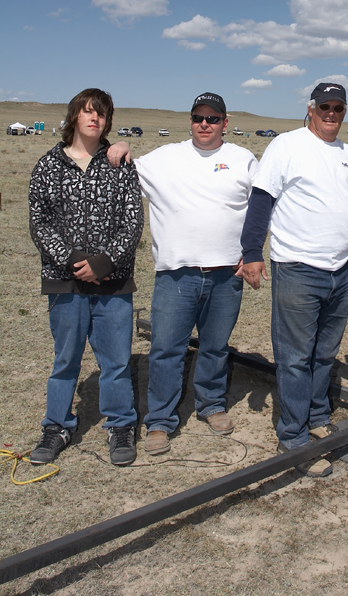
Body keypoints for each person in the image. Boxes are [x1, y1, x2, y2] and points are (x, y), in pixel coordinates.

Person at [240, 83, 348, 476]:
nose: (331, 113)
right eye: (324, 106)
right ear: (311, 109)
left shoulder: (345, 153)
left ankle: (318, 416)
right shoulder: (286, 146)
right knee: (294, 358)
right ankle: (293, 437)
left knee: (325, 353)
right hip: (297, 269)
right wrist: (252, 254)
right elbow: (261, 200)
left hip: (338, 273)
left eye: (338, 107)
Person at [108, 92, 257, 455]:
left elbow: (261, 209)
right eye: (197, 118)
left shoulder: (243, 159)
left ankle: (212, 405)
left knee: (215, 346)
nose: (204, 125)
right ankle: (160, 420)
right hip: (177, 274)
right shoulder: (164, 158)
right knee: (166, 348)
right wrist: (121, 143)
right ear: (189, 121)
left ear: (225, 122)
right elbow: (122, 167)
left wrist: (252, 254)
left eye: (212, 118)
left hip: (226, 272)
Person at [29, 89, 143, 467]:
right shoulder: (48, 166)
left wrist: (104, 263)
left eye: (102, 114)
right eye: (87, 111)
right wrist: (76, 261)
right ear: (74, 117)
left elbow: (132, 221)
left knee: (115, 360)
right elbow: (40, 223)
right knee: (66, 360)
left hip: (113, 282)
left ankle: (121, 425)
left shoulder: (119, 165)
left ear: (108, 121)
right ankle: (57, 426)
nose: (94, 119)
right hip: (66, 283)